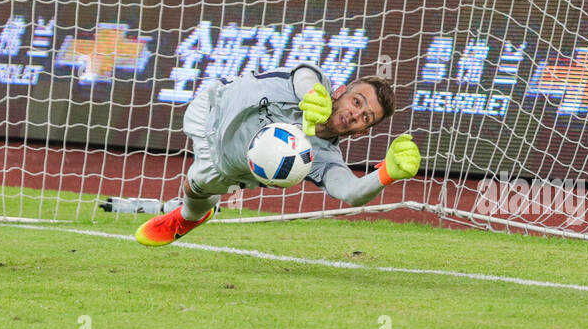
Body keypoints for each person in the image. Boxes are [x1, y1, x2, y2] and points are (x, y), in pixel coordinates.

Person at [134, 64, 419, 246]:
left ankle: (188, 216)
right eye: (356, 102)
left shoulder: (324, 158)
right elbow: (304, 76)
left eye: (365, 117)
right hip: (211, 106)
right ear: (340, 92)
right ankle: (192, 211)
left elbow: (351, 191)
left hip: (225, 163)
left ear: (362, 132)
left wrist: (386, 173)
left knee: (195, 187)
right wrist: (313, 94)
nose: (355, 114)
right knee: (197, 179)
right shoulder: (313, 83)